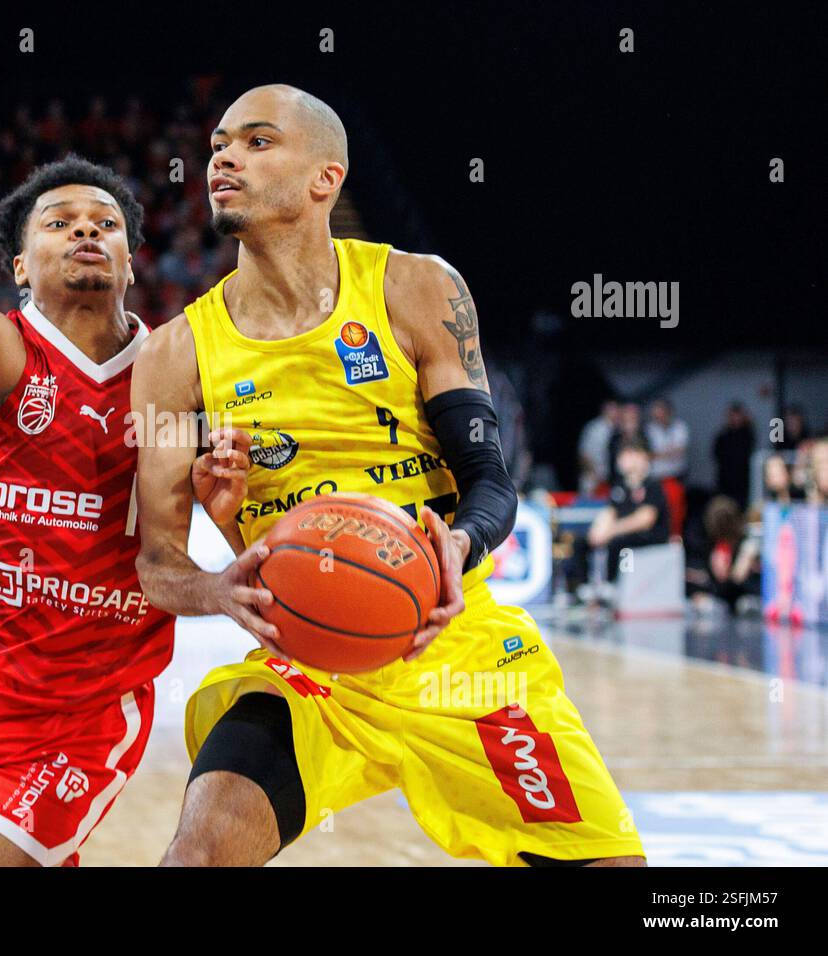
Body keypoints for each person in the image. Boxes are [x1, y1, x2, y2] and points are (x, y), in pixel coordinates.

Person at [132, 85, 645, 867]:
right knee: (198, 853)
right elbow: (156, 563)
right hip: (304, 664)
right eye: (218, 146)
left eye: (258, 141)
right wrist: (220, 583)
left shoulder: (417, 287)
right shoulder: (173, 357)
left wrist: (456, 546)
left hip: (455, 649)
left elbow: (491, 485)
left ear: (325, 179)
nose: (224, 157)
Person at [0, 133, 220, 867]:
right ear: (19, 265)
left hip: (84, 712)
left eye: (105, 224)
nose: (86, 232)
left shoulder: (172, 368)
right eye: (60, 222)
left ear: (132, 258)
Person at [567, 439, 670, 596]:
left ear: (641, 457)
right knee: (581, 541)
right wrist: (597, 531)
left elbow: (645, 520)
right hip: (620, 532)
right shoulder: (620, 485)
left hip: (649, 536)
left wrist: (612, 531)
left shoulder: (652, 485)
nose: (622, 460)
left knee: (617, 542)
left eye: (627, 455)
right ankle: (583, 588)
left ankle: (612, 585)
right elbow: (610, 511)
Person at [712, 402, 755, 506]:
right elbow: (716, 454)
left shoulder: (747, 434)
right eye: (732, 415)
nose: (735, 418)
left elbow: (749, 449)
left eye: (738, 415)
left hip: (743, 481)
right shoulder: (723, 435)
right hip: (725, 481)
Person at [577, 400, 617, 494]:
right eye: (611, 409)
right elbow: (583, 454)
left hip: (610, 478)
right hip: (593, 477)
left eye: (615, 409)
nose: (614, 412)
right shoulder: (594, 428)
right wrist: (592, 472)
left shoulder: (617, 428)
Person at [645, 398, 689, 482]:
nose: (658, 417)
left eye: (660, 413)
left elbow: (680, 451)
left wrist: (657, 454)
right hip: (657, 476)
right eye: (655, 415)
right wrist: (669, 452)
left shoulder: (680, 426)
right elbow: (647, 455)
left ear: (668, 412)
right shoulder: (648, 429)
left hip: (678, 474)